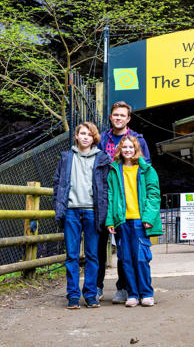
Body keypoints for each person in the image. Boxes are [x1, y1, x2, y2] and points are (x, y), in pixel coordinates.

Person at [97, 100, 151, 303]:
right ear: (111, 117)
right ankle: (97, 287)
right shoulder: (102, 139)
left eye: (122, 115)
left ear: (128, 118)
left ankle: (125, 287)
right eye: (115, 115)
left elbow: (146, 171)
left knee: (126, 247)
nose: (118, 118)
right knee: (100, 243)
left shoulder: (137, 140)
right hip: (104, 195)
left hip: (129, 200)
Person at [52, 122, 111, 309]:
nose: (85, 137)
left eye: (89, 134)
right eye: (82, 133)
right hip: (71, 211)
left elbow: (107, 187)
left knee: (93, 255)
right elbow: (57, 183)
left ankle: (91, 294)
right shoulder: (66, 157)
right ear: (76, 136)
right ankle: (72, 295)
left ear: (94, 138)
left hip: (93, 211)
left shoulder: (102, 159)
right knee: (71, 255)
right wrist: (59, 204)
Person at [105, 135, 162, 307]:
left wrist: (148, 217)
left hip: (139, 220)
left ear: (136, 150)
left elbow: (154, 195)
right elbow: (110, 196)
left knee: (141, 258)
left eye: (131, 147)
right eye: (125, 147)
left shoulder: (147, 170)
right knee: (126, 259)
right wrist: (110, 220)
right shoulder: (114, 171)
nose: (128, 150)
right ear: (120, 150)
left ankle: (146, 293)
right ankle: (132, 294)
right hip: (122, 221)